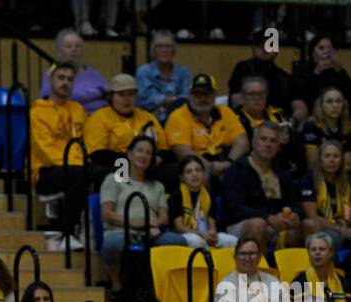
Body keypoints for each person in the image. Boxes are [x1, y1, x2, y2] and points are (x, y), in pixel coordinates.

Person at [100, 134, 187, 277]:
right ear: (129, 154)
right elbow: (107, 214)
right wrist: (138, 223)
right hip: (121, 232)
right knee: (113, 244)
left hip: (151, 234)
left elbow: (164, 217)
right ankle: (117, 284)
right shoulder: (113, 179)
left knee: (177, 241)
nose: (144, 155)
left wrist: (153, 226)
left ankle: (159, 286)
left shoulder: (158, 186)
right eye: (140, 150)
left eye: (148, 153)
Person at [30, 61, 88, 242]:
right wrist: (78, 163)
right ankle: (68, 232)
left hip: (76, 166)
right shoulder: (37, 112)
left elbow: (87, 141)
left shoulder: (78, 109)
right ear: (50, 80)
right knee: (78, 174)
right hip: (46, 171)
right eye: (61, 78)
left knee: (109, 174)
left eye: (70, 79)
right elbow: (46, 151)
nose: (65, 83)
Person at [220, 122, 301, 247]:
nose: (268, 144)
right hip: (241, 225)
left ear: (278, 146)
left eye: (273, 141)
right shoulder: (236, 170)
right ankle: (260, 266)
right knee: (258, 224)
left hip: (274, 224)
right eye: (263, 139)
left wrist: (294, 215)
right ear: (253, 143)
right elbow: (236, 209)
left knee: (300, 227)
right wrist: (268, 218)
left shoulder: (282, 172)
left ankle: (289, 265)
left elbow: (294, 203)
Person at [164, 73, 248, 187]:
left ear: (215, 95)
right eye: (197, 94)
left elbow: (242, 142)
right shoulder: (177, 117)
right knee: (198, 174)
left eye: (206, 94)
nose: (202, 98)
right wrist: (209, 167)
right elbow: (182, 151)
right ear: (189, 95)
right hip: (197, 164)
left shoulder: (226, 112)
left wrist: (229, 163)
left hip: (227, 162)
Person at [86, 73, 167, 174]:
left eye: (131, 94)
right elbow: (96, 154)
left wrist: (154, 159)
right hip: (116, 164)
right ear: (111, 96)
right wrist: (132, 160)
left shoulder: (148, 117)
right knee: (121, 172)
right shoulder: (99, 118)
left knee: (172, 171)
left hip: (147, 163)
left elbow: (164, 149)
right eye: (121, 95)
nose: (127, 99)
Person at [299, 138, 351, 251]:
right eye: (327, 156)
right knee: (330, 238)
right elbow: (312, 216)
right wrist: (340, 229)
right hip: (322, 227)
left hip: (343, 224)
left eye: (336, 156)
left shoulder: (348, 181)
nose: (332, 160)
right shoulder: (309, 179)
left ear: (341, 160)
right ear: (320, 159)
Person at [169, 153, 238, 250]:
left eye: (198, 170)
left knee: (232, 241)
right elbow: (179, 228)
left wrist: (212, 233)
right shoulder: (177, 195)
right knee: (197, 241)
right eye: (189, 172)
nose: (194, 174)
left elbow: (211, 221)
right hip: (186, 235)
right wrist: (201, 234)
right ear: (182, 177)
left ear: (203, 173)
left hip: (205, 233)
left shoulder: (208, 194)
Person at [290, 35, 351, 126]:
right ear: (312, 53)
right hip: (311, 120)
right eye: (321, 48)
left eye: (329, 48)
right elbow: (301, 95)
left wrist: (340, 69)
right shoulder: (303, 72)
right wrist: (317, 72)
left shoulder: (336, 72)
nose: (326, 52)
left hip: (335, 119)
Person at [39, 28, 108, 113]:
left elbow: (108, 91)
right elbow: (52, 96)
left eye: (77, 46)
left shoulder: (92, 72)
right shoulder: (52, 71)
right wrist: (98, 91)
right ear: (59, 52)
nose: (74, 49)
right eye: (69, 46)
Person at [226, 28, 294, 113]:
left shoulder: (284, 78)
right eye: (260, 46)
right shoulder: (243, 68)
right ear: (253, 48)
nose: (265, 49)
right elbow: (236, 100)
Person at [135, 31, 191, 123]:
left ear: (173, 50)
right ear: (154, 50)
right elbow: (146, 100)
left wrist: (162, 102)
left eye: (168, 46)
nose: (164, 50)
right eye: (160, 46)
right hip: (148, 119)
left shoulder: (183, 72)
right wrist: (173, 100)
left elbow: (187, 99)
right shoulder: (144, 72)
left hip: (178, 119)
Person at [300, 87, 351, 174]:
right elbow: (313, 164)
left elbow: (350, 163)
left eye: (338, 101)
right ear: (321, 105)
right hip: (316, 177)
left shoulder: (348, 127)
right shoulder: (312, 126)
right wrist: (341, 162)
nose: (335, 105)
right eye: (329, 101)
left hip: (342, 176)